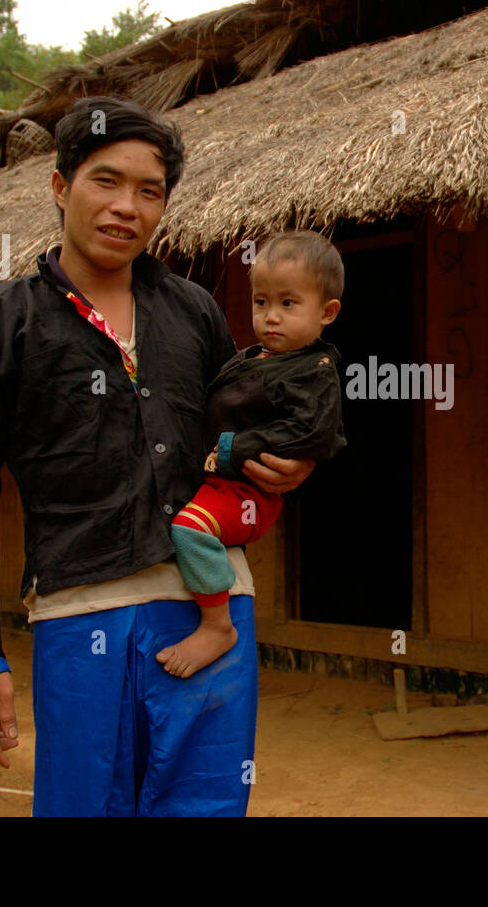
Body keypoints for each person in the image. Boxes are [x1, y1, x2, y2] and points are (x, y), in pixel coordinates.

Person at [0, 95, 314, 816]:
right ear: (60, 186)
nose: (126, 206)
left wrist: (294, 459)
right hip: (81, 613)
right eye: (106, 180)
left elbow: (252, 424)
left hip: (211, 608)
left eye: (150, 190)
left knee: (205, 808)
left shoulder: (193, 311)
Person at [158, 231, 346, 678]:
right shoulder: (254, 358)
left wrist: (229, 449)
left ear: (327, 313)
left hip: (249, 492)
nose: (271, 317)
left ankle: (217, 626)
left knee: (188, 531)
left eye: (287, 303)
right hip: (224, 483)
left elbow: (312, 432)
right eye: (261, 302)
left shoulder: (314, 374)